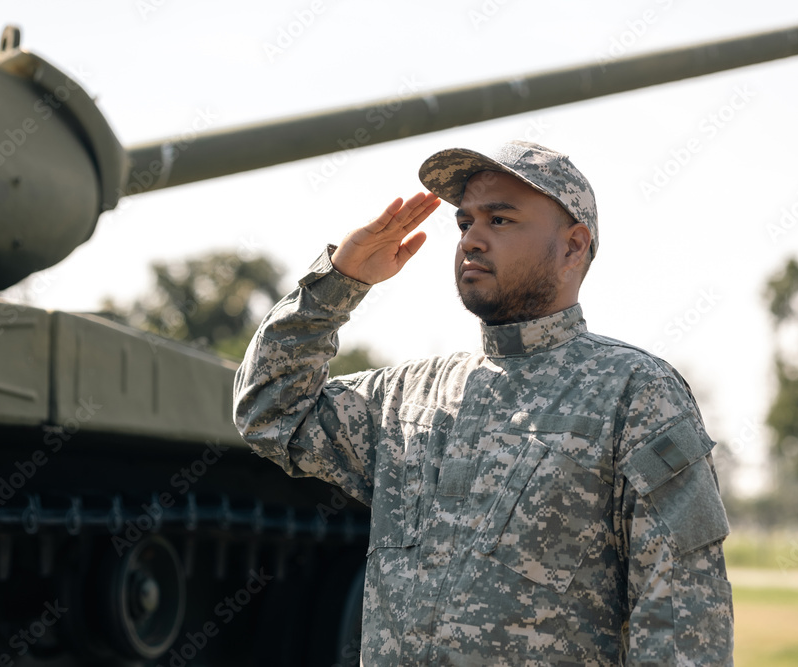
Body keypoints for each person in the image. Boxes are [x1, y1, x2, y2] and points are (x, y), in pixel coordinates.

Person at [233, 140, 734, 665]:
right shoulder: (407, 398)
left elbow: (681, 618)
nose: (471, 238)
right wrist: (339, 282)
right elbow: (270, 412)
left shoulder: (635, 392)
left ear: (573, 247)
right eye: (463, 222)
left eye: (499, 219)